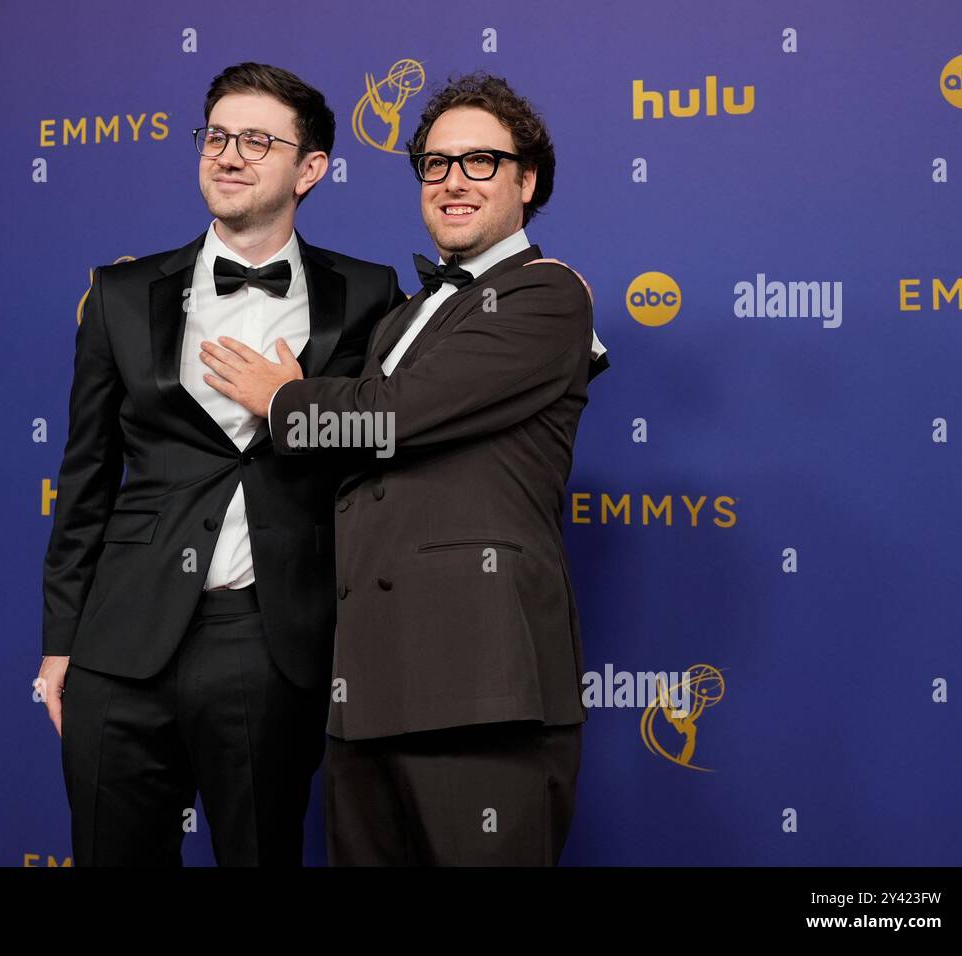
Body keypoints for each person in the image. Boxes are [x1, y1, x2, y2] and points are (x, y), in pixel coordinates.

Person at [200, 71, 609, 865]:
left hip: (480, 686)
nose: (453, 180)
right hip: (366, 695)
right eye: (434, 163)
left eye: (481, 162)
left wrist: (283, 400)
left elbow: (394, 416)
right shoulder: (399, 317)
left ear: (527, 181)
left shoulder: (549, 295)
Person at [38, 62, 405, 865]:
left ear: (311, 169)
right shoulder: (120, 293)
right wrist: (61, 644)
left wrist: (296, 403)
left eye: (256, 140)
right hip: (120, 638)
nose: (227, 155)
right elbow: (85, 478)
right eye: (216, 136)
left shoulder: (369, 294)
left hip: (270, 638)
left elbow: (386, 445)